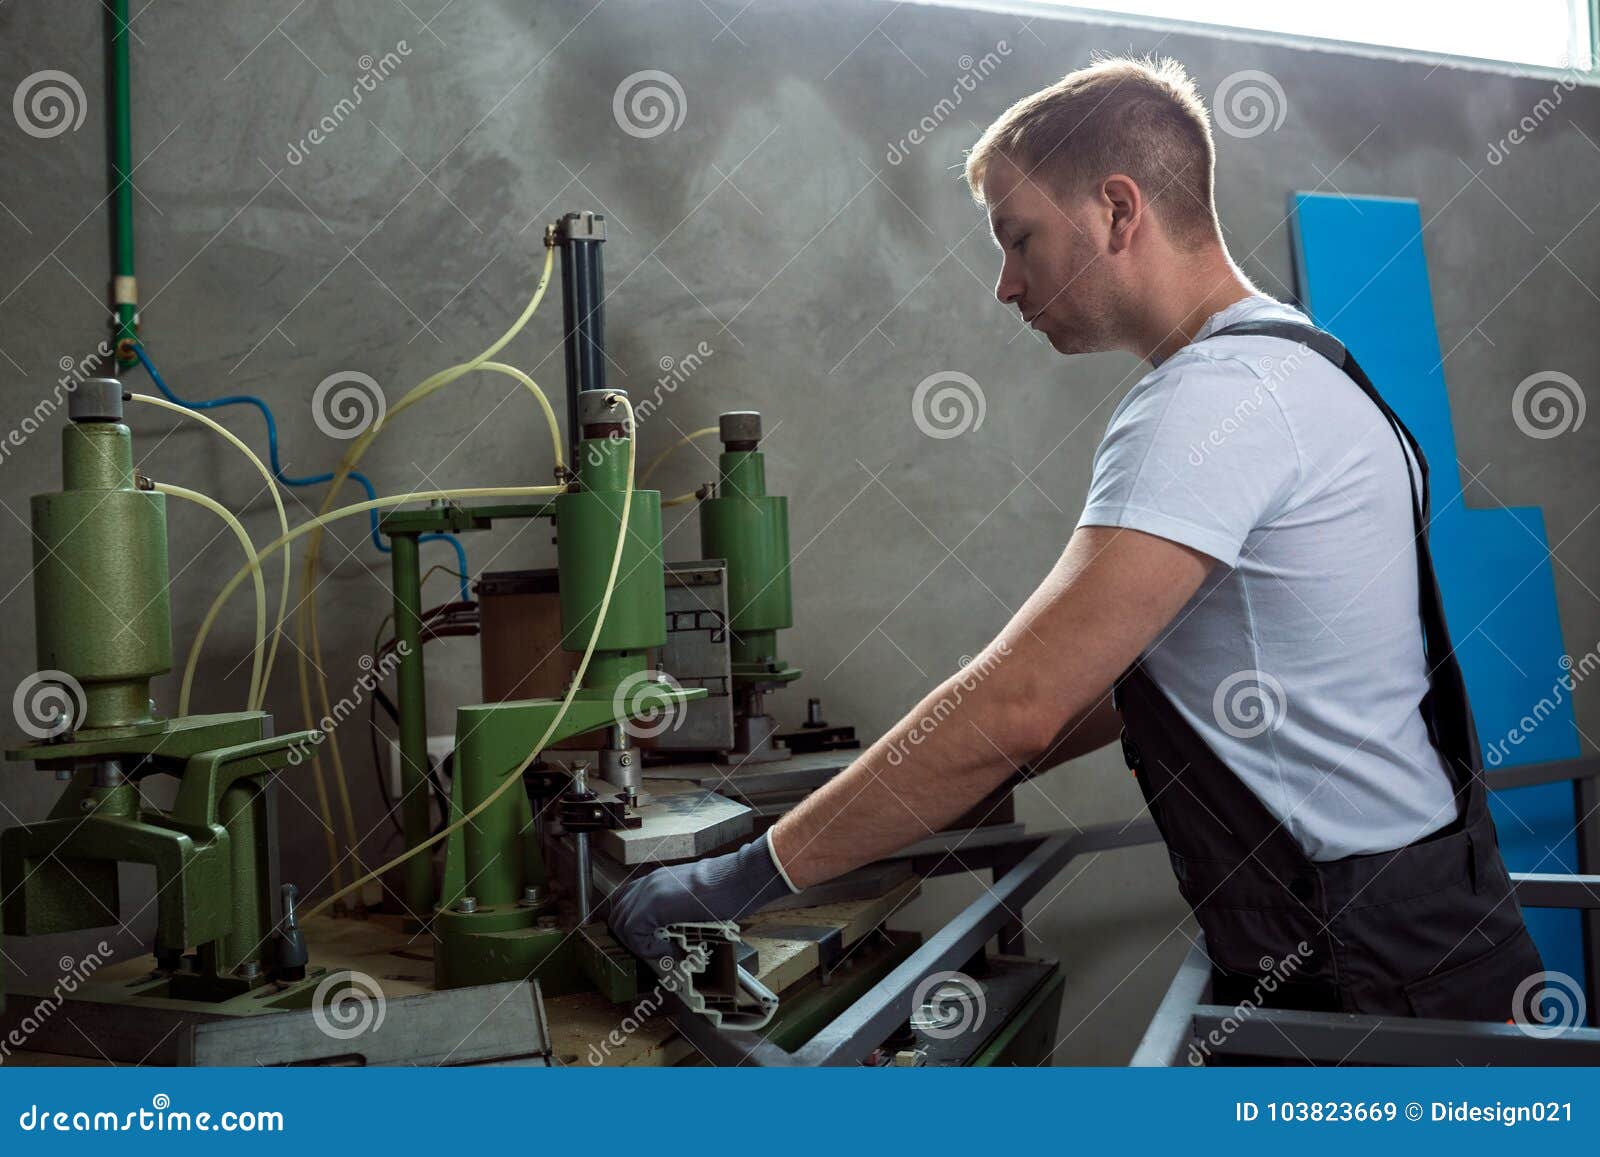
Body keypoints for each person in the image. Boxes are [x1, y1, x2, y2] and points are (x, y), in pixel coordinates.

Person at [608, 55, 1542, 1023]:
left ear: (1116, 210)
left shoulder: (1209, 401)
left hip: (1367, 973)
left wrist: (740, 880)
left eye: (1019, 239)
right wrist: (933, 784)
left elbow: (1018, 701)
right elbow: (1151, 679)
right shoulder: (1317, 369)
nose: (1004, 285)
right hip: (1430, 923)